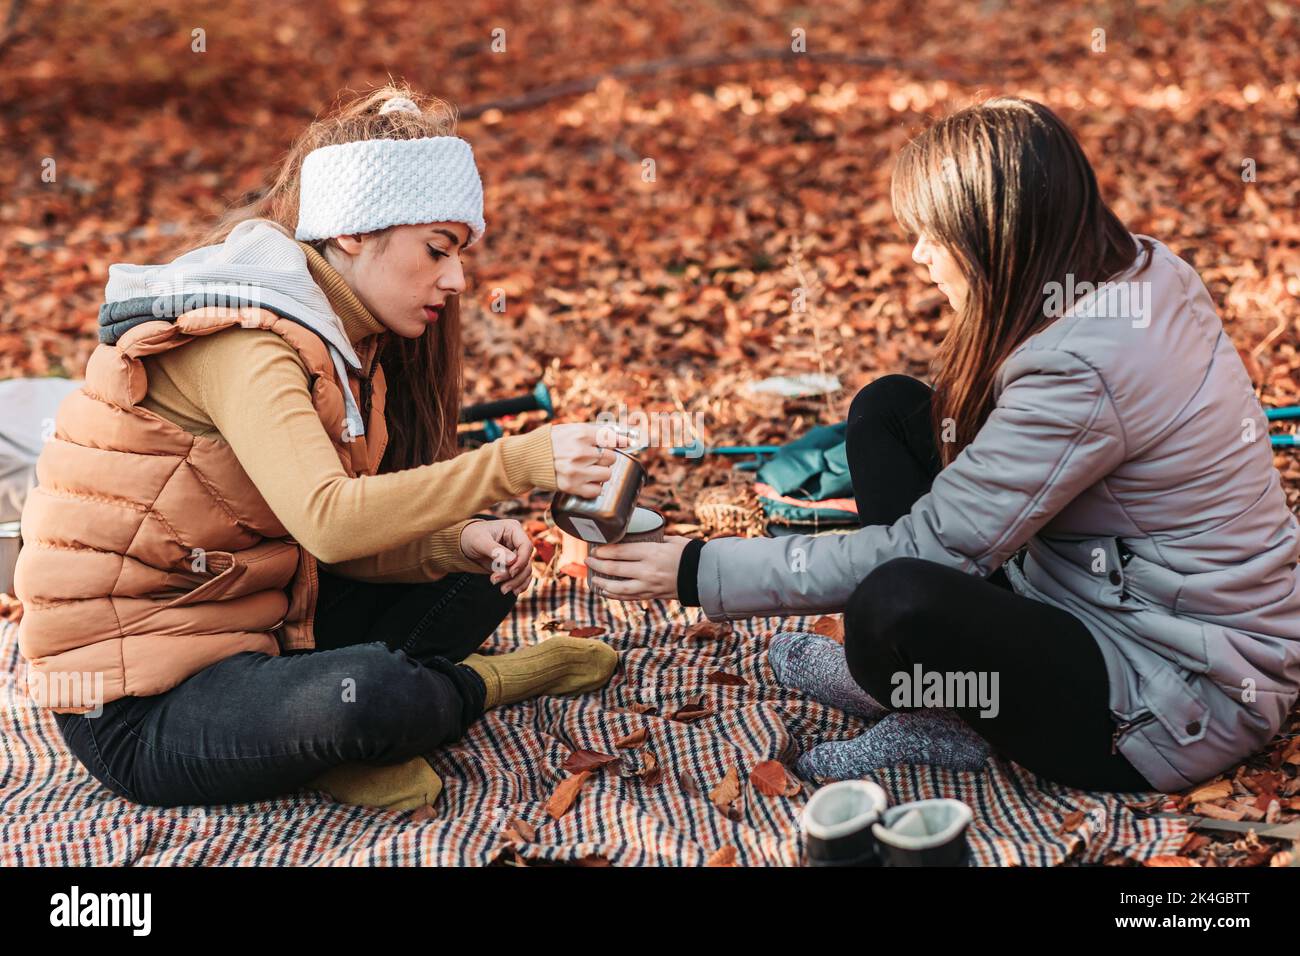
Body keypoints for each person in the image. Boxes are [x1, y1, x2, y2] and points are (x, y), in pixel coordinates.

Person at [586, 96, 1300, 794]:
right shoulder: (1139, 271)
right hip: (1108, 599)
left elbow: (924, 551)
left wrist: (697, 571)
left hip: (1175, 698)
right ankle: (928, 688)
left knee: (893, 601)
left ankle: (944, 718)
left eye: (935, 235)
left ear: (997, 234)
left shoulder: (1083, 369)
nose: (920, 256)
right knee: (889, 413)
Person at [15, 84, 627, 811]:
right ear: (351, 234)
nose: (458, 280)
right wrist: (521, 460)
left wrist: (456, 544)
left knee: (477, 572)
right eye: (438, 249)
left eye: (460, 255)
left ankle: (326, 736)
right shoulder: (247, 341)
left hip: (257, 629)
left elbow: (333, 548)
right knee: (369, 695)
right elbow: (328, 519)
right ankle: (477, 688)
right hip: (138, 705)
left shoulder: (341, 351)